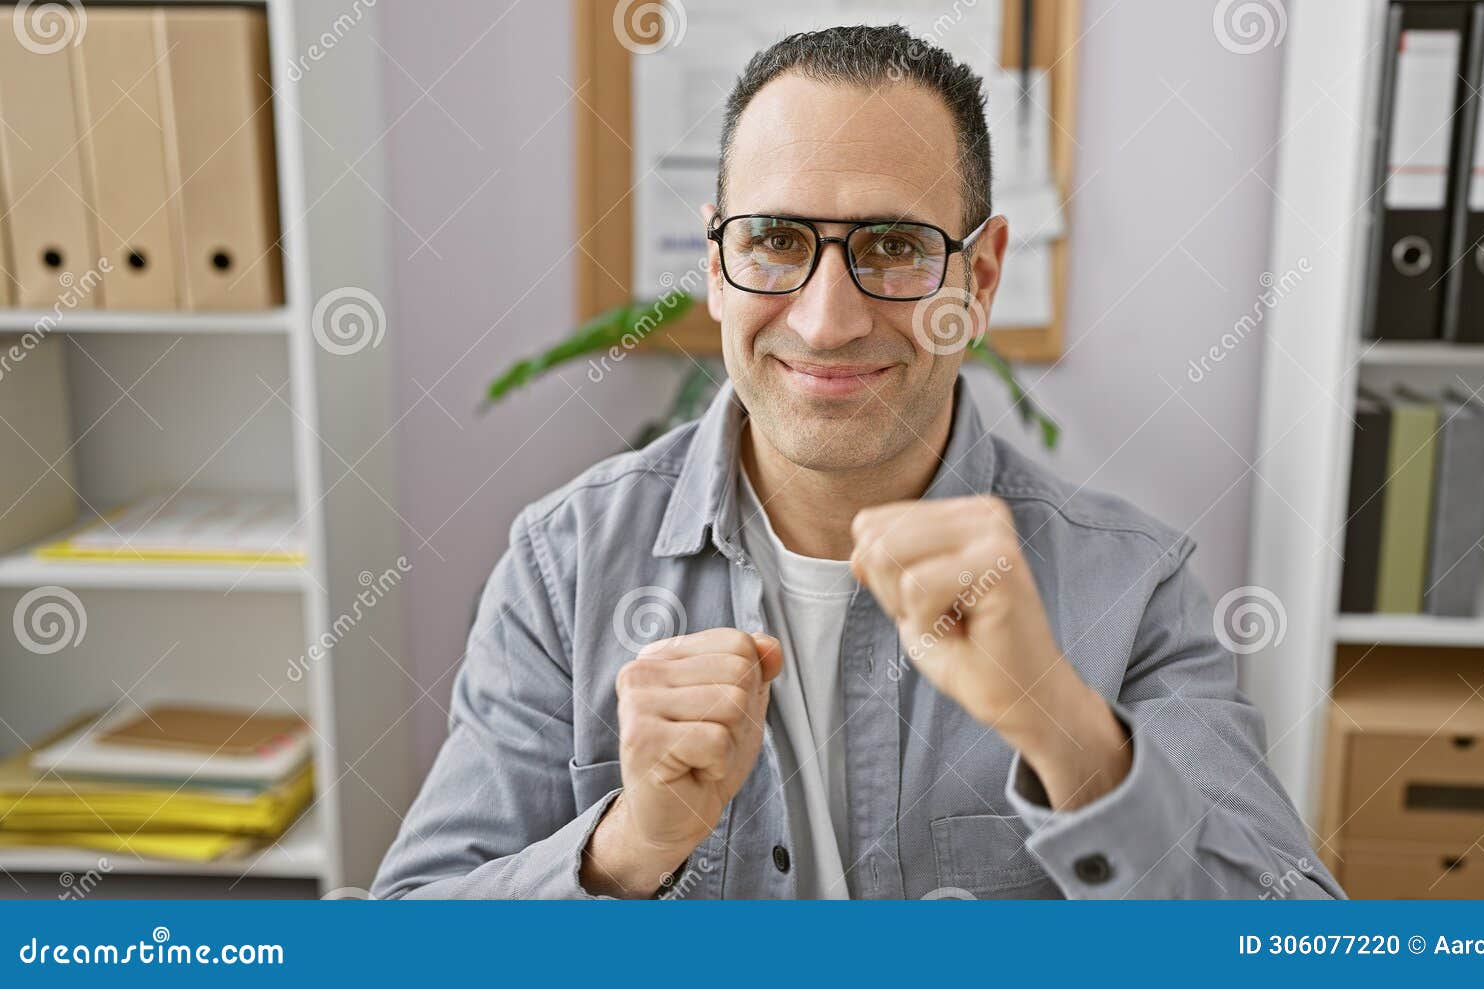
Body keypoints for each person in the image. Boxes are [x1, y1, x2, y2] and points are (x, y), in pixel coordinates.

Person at [372, 24, 1341, 900]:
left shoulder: (1129, 587)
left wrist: (1068, 735)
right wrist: (627, 849)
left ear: (980, 275)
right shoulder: (566, 563)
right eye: (774, 240)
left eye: (894, 246)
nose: (826, 321)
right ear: (715, 267)